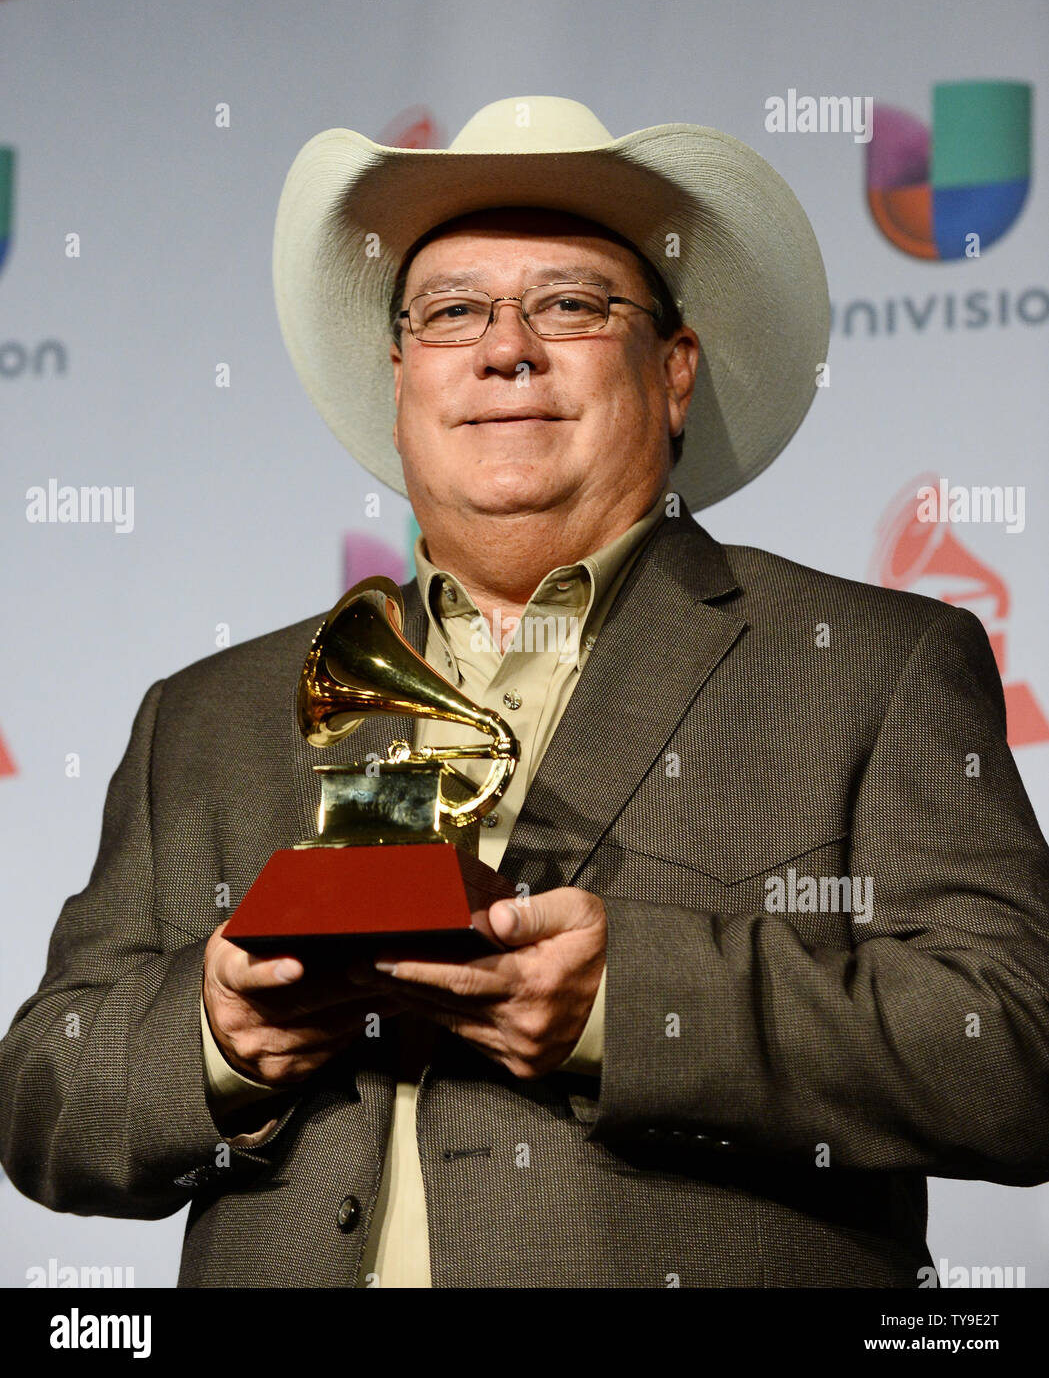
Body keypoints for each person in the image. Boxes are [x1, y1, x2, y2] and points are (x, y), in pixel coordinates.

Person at [3, 96, 1049, 1290]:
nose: (505, 347)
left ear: (672, 370)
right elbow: (44, 1094)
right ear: (400, 381)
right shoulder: (206, 715)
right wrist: (218, 1038)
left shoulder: (870, 661)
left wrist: (629, 1005)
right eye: (453, 312)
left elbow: (1016, 1044)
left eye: (568, 304)